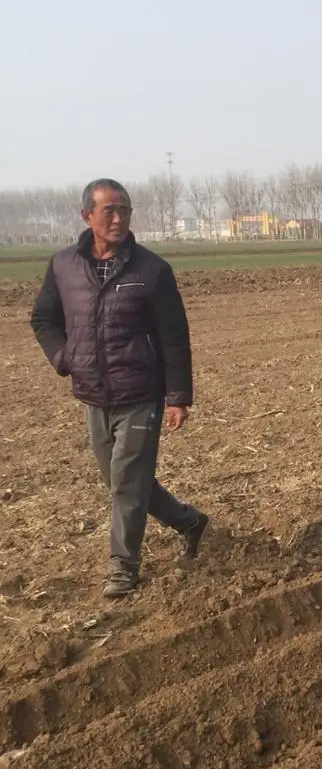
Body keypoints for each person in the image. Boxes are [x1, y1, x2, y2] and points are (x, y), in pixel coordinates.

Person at [30, 178, 208, 599]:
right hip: (93, 393)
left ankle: (123, 566)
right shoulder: (63, 266)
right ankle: (189, 521)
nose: (118, 217)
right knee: (123, 480)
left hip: (141, 393)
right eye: (109, 210)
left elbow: (174, 337)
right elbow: (43, 320)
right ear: (86, 215)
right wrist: (65, 358)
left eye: (124, 210)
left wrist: (178, 396)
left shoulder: (151, 270)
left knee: (128, 481)